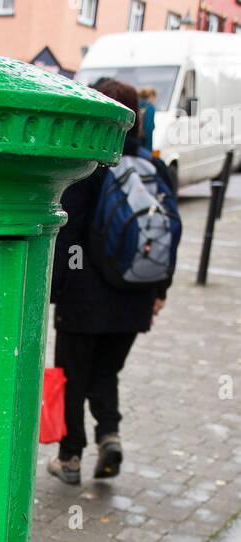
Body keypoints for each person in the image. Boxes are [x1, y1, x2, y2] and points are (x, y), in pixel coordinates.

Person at [48, 79, 178, 486]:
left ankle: (70, 458)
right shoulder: (153, 167)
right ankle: (110, 435)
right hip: (135, 295)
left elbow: (69, 234)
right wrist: (159, 292)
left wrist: (54, 291)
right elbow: (169, 232)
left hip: (84, 299)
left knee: (72, 375)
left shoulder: (87, 166)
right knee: (105, 372)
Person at [138, 86, 157, 153]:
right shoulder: (150, 107)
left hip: (135, 142)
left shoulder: (136, 104)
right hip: (145, 143)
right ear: (151, 96)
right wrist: (149, 150)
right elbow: (148, 127)